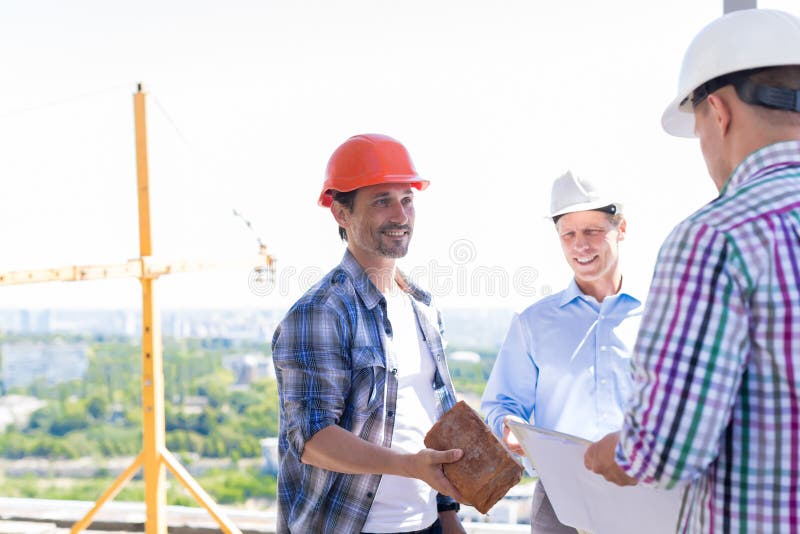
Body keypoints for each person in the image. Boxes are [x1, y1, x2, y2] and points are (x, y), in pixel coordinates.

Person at [584, 8, 800, 533]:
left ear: (718, 113)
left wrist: (613, 453)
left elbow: (663, 451)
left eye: (699, 129)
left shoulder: (718, 236)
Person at [272, 133, 466, 534]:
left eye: (407, 200)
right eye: (381, 201)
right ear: (341, 214)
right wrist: (408, 466)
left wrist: (447, 515)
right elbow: (312, 439)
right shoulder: (322, 312)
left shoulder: (422, 306)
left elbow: (433, 414)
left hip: (426, 524)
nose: (400, 215)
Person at [481, 171, 643, 533]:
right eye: (568, 234)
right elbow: (502, 404)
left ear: (621, 228)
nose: (580, 245)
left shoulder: (662, 317)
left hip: (644, 496)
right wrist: (508, 427)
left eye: (592, 231)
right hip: (560, 503)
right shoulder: (533, 323)